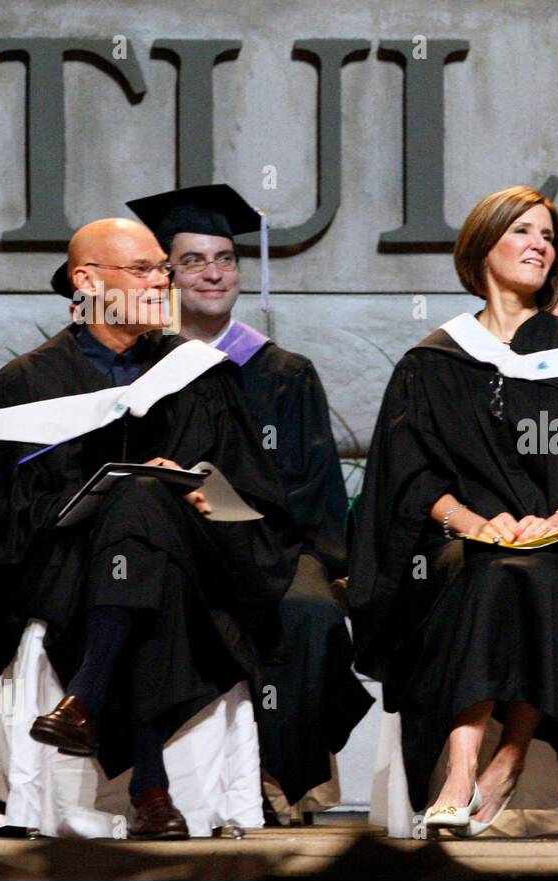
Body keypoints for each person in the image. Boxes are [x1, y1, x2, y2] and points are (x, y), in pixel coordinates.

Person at [347, 186, 558, 833]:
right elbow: (408, 478)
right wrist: (472, 522)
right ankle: (471, 762)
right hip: (455, 543)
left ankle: (500, 756)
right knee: (488, 567)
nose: (539, 245)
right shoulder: (434, 359)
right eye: (523, 231)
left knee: (533, 568)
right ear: (481, 247)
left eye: (547, 237)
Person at [0, 218, 298, 838]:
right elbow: (0, 517)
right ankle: (151, 786)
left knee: (145, 508)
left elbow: (255, 502)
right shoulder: (31, 381)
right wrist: (103, 496)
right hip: (69, 566)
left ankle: (85, 697)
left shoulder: (201, 374)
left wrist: (196, 486)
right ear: (87, 280)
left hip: (197, 557)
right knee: (138, 521)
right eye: (143, 270)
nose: (162, 282)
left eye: (163, 270)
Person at [125, 184, 372, 823]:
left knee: (312, 611)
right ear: (167, 274)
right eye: (194, 260)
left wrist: (317, 558)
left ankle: (283, 778)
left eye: (226, 259)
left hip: (275, 544)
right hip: (181, 550)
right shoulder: (141, 367)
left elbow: (316, 489)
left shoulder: (282, 371)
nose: (214, 272)